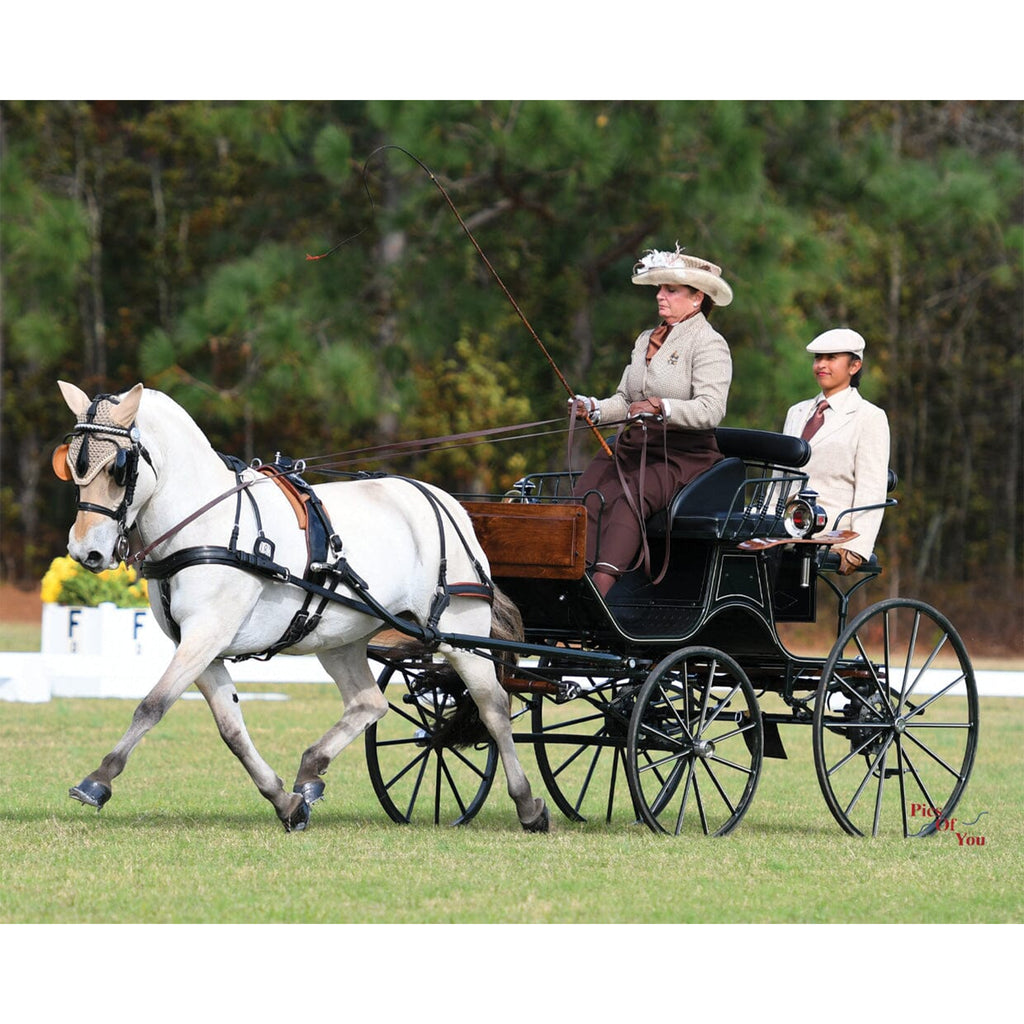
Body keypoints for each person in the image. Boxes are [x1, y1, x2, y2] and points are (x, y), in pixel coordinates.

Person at [570, 247, 733, 597]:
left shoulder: (710, 344)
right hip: (634, 446)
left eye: (671, 289)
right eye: (659, 288)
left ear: (696, 298)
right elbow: (626, 401)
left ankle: (601, 589)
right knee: (585, 495)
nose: (660, 295)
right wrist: (593, 408)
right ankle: (567, 579)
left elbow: (711, 409)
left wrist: (662, 407)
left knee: (632, 499)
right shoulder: (646, 338)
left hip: (682, 454)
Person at [782, 328, 890, 574]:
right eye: (818, 358)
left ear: (854, 366)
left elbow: (872, 487)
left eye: (831, 358)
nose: (821, 364)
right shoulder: (797, 413)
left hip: (829, 528)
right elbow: (783, 476)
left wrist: (858, 547)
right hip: (784, 524)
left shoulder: (869, 417)